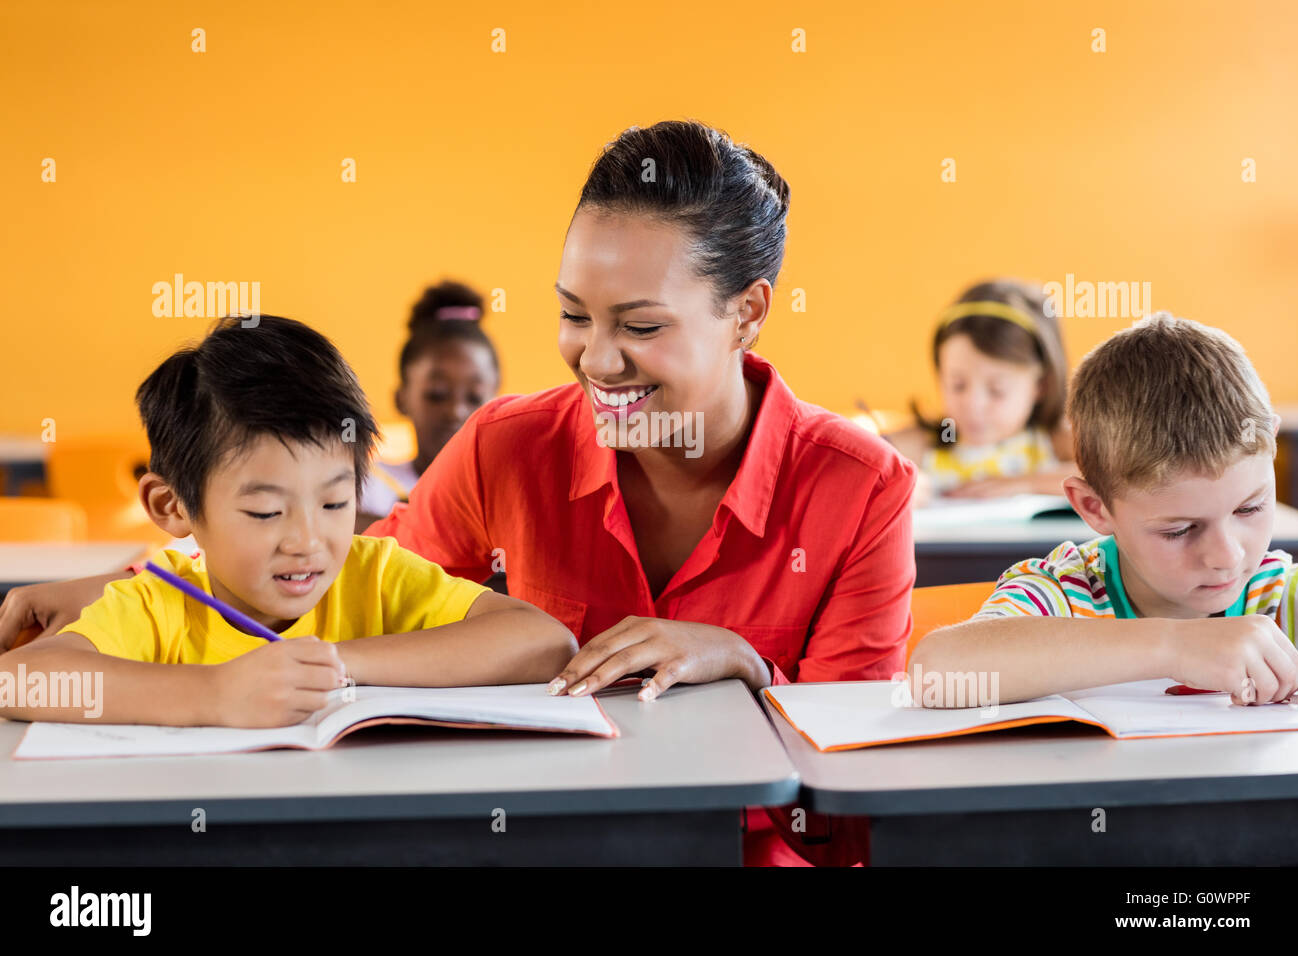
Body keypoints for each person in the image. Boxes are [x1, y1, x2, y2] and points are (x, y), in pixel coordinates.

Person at [0, 121, 915, 865]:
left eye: (640, 325)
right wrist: (119, 591)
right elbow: (336, 570)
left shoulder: (861, 489)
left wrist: (748, 662)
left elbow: (849, 804)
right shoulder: (506, 447)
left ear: (747, 313)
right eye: (572, 315)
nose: (597, 360)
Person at [0, 316, 575, 726]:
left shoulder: (374, 574)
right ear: (172, 507)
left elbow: (544, 640)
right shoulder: (160, 603)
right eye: (266, 512)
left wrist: (333, 666)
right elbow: (20, 679)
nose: (308, 542)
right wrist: (215, 696)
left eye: (333, 504)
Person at [910, 312, 1298, 707]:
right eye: (1179, 530)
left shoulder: (1281, 596)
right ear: (1094, 507)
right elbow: (934, 676)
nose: (1226, 556)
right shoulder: (1069, 592)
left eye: (1250, 508)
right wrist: (1173, 646)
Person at [889, 279, 1074, 505]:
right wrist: (900, 487)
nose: (973, 404)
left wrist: (1024, 484)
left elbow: (1116, 477)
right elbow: (866, 468)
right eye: (957, 385)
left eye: (997, 391)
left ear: (1041, 385)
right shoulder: (924, 443)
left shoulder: (1056, 441)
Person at [356, 280, 501, 531]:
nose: (455, 411)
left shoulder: (508, 490)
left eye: (474, 397)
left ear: (497, 404)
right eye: (436, 394)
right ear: (401, 399)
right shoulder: (367, 485)